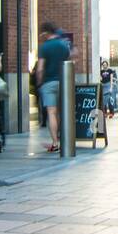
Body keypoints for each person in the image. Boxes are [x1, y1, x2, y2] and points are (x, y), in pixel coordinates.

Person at [34, 23, 71, 153]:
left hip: (48, 83)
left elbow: (40, 68)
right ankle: (64, 140)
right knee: (61, 112)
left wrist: (39, 82)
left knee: (51, 112)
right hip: (63, 81)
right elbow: (69, 61)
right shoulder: (64, 45)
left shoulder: (44, 47)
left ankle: (55, 142)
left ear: (46, 33)